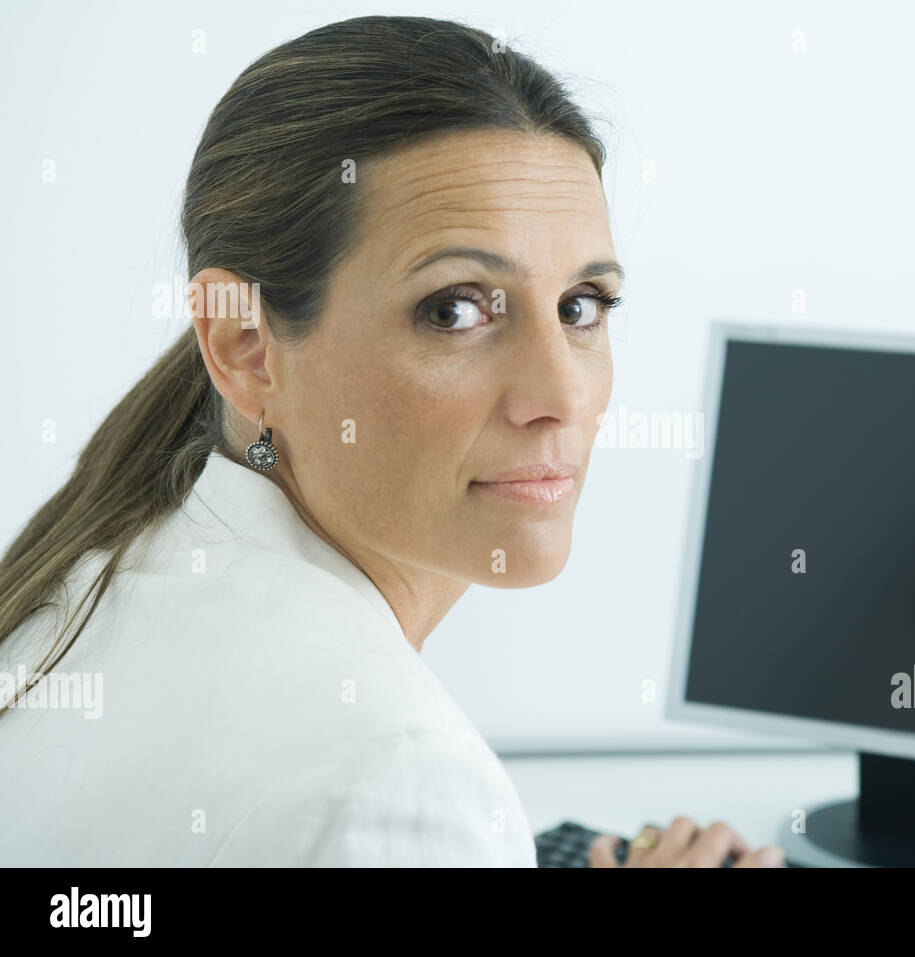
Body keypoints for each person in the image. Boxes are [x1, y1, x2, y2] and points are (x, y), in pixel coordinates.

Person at [0, 14, 783, 868]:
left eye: (581, 305)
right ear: (245, 348)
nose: (560, 396)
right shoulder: (402, 786)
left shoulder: (93, 581)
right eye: (454, 308)